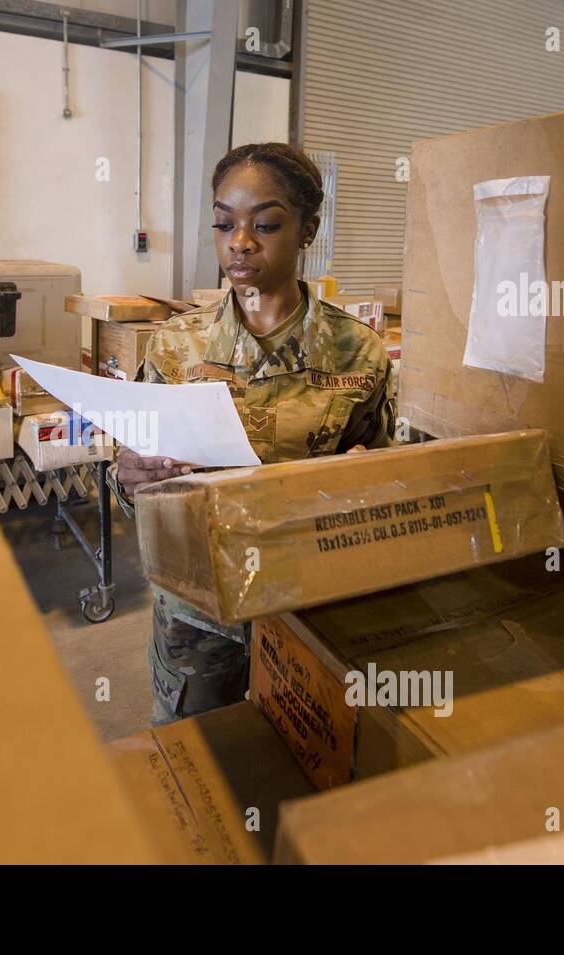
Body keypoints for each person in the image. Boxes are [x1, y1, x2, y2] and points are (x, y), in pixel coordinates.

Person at [106, 142, 397, 725]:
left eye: (264, 224)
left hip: (308, 602)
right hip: (196, 615)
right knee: (196, 761)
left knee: (302, 761)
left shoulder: (356, 353)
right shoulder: (174, 347)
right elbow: (137, 488)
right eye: (223, 223)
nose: (239, 242)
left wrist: (363, 481)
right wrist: (128, 479)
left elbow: (382, 486)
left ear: (308, 229)